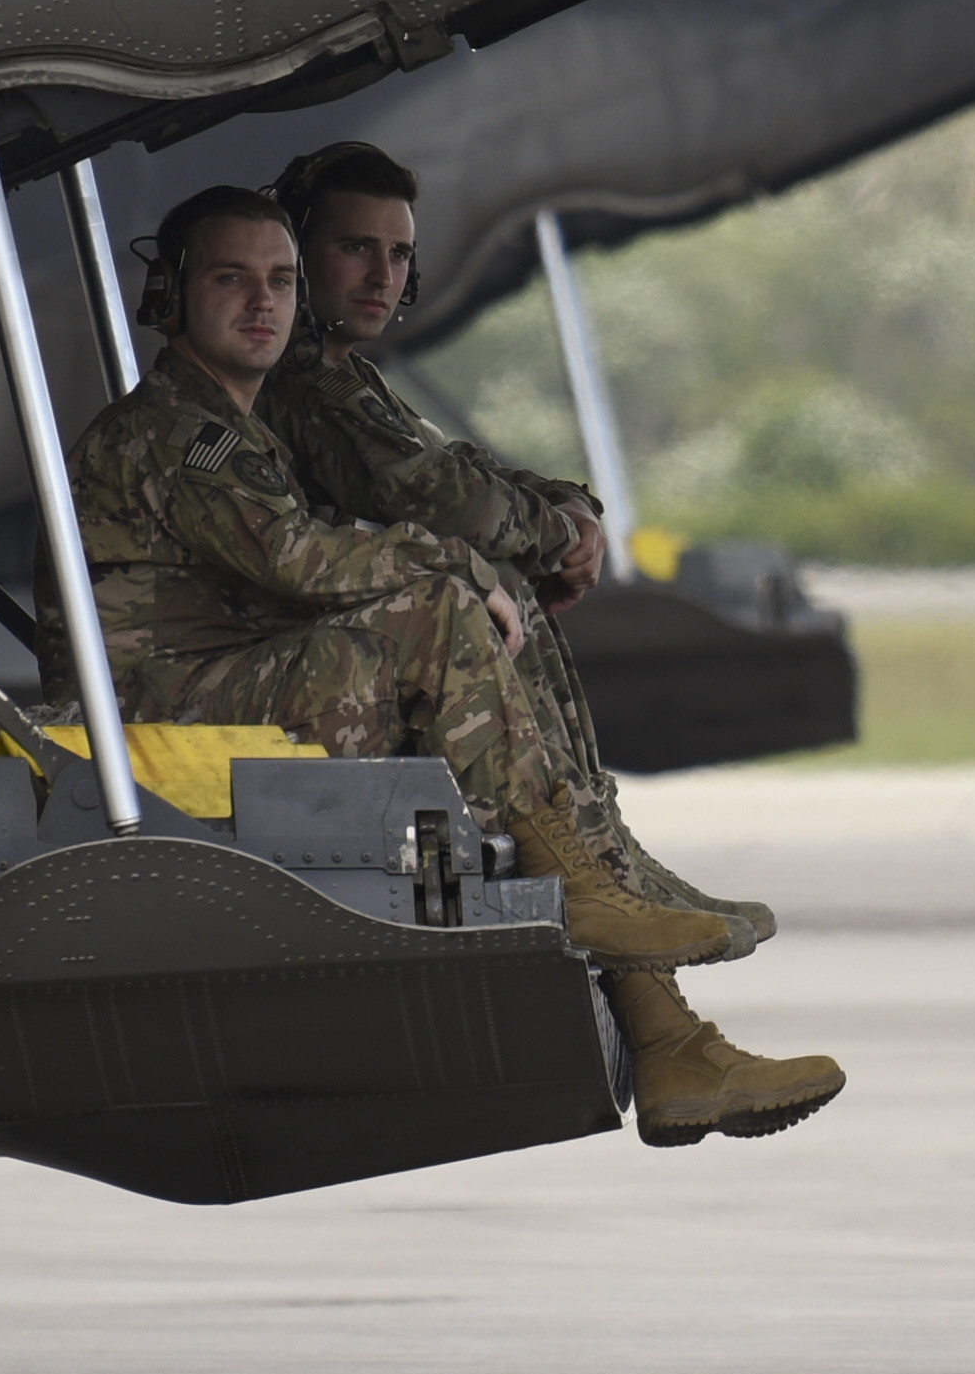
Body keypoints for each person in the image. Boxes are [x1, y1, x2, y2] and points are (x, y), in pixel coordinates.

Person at [64, 183, 844, 1146]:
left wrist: (479, 570)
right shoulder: (178, 430)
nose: (262, 302)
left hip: (223, 685)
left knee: (457, 605)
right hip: (162, 713)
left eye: (280, 281)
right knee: (435, 611)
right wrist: (458, 568)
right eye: (231, 279)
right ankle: (586, 884)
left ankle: (660, 1020)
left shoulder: (237, 422)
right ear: (172, 294)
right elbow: (297, 558)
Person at [253, 141, 809, 1121]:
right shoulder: (304, 388)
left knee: (496, 584)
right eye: (354, 249)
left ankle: (661, 1013)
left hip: (359, 649)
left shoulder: (347, 376)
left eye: (397, 254)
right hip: (328, 664)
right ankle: (612, 883)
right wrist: (555, 531)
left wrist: (566, 508)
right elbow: (442, 500)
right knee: (486, 589)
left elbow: (459, 470)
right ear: (300, 255)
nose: (382, 275)